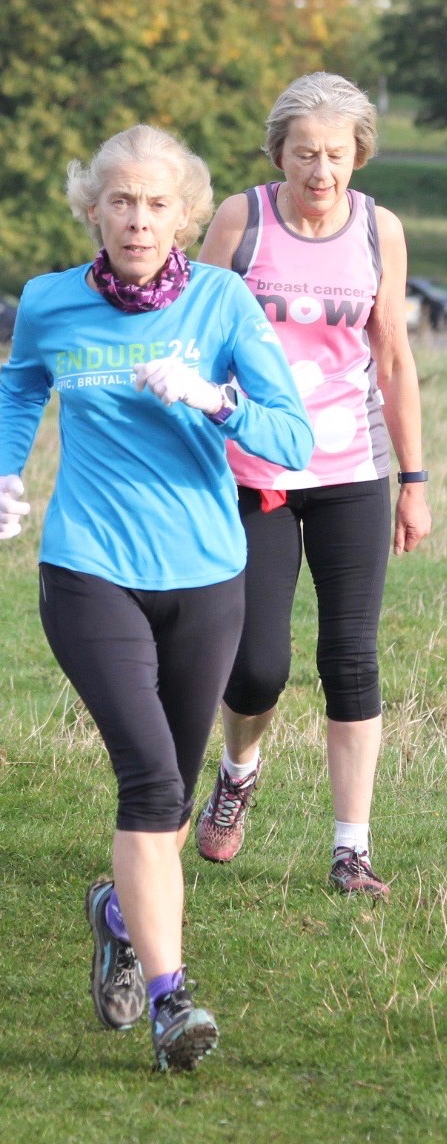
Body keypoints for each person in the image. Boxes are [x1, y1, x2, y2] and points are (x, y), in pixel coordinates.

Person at [0, 125, 312, 1071]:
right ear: (93, 209)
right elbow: (16, 391)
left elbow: (290, 437)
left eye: (156, 202)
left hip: (207, 575)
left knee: (165, 806)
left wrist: (216, 400)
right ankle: (172, 1001)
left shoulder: (222, 302)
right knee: (154, 784)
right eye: (120, 201)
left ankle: (118, 915)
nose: (137, 218)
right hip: (89, 571)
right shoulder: (49, 302)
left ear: (186, 216)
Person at [193, 73, 432, 899]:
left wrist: (415, 479)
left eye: (335, 155)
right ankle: (238, 768)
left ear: (357, 155)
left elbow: (394, 360)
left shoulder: (379, 230)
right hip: (252, 466)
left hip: (351, 467)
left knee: (351, 657)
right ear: (279, 155)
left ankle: (350, 849)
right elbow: (189, 332)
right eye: (305, 154)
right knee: (257, 667)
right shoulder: (242, 219)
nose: (321, 171)